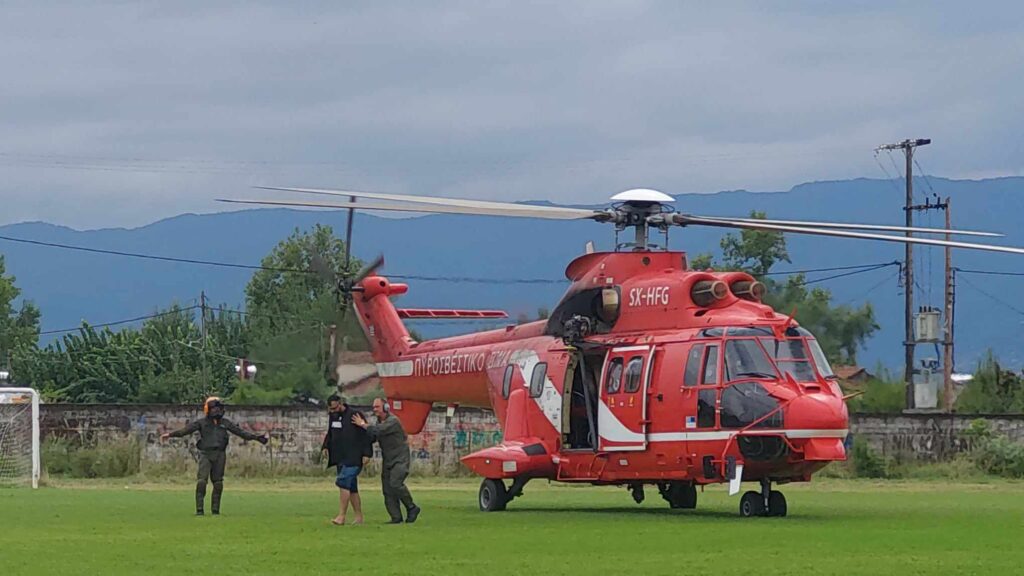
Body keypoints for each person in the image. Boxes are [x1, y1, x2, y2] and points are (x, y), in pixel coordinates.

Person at [161, 397, 268, 516]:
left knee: (218, 483)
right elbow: (185, 431)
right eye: (214, 409)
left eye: (219, 408)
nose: (217, 411)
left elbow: (241, 433)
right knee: (202, 481)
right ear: (208, 410)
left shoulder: (225, 423)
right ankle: (199, 510)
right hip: (206, 454)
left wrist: (257, 438)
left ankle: (215, 510)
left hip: (220, 455)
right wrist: (170, 435)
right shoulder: (201, 423)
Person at [352, 398, 421, 524]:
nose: (374, 409)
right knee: (387, 489)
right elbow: (372, 435)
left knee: (395, 483)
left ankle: (412, 507)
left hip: (400, 458)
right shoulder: (378, 423)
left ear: (386, 407)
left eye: (377, 407)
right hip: (388, 458)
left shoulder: (393, 421)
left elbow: (378, 431)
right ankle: (396, 517)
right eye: (374, 407)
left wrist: (362, 424)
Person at [321, 394, 372, 525]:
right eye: (330, 409)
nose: (332, 411)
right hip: (340, 457)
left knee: (343, 482)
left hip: (354, 456)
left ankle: (341, 516)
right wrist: (325, 446)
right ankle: (359, 517)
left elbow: (366, 434)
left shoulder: (355, 415)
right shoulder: (333, 416)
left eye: (334, 408)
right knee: (352, 487)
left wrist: (367, 454)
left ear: (341, 403)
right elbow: (330, 432)